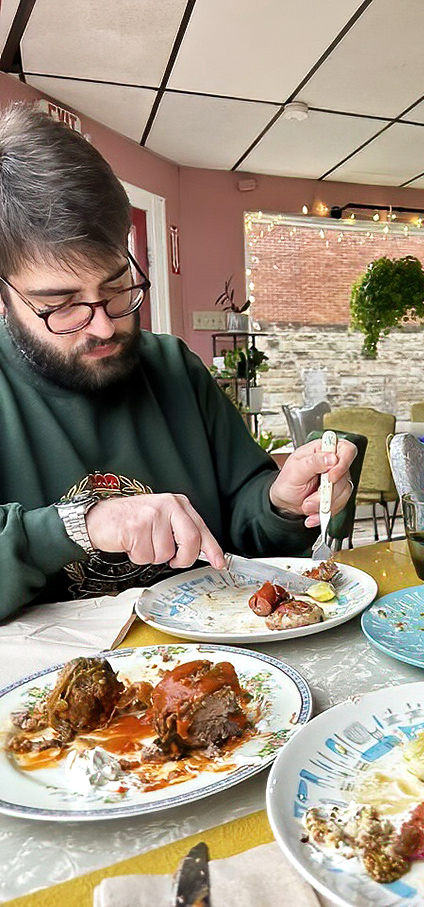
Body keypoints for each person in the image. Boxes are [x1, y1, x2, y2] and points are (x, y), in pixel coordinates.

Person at [0, 104, 356, 620]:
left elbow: (243, 520)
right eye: (62, 305)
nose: (102, 326)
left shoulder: (172, 367)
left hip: (219, 664)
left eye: (118, 288)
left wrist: (280, 501)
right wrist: (80, 525)